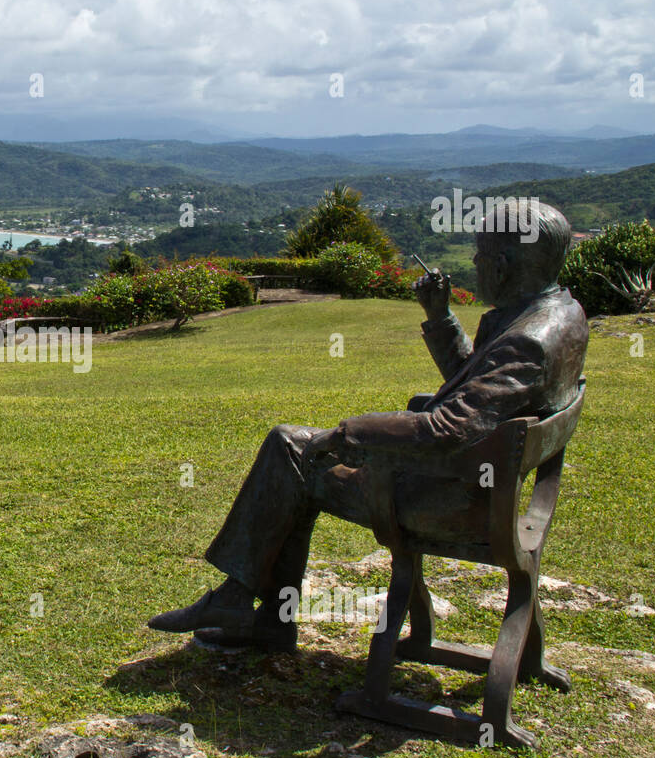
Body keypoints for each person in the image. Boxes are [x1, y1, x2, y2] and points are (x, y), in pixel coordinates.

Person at [147, 199, 589, 649]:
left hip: (449, 500)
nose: (474, 263)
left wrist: (348, 433)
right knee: (296, 458)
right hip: (484, 483)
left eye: (478, 254)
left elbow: (445, 428)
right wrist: (440, 317)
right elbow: (472, 387)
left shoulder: (526, 340)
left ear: (504, 263)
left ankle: (245, 606)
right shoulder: (561, 315)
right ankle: (257, 614)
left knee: (290, 451)